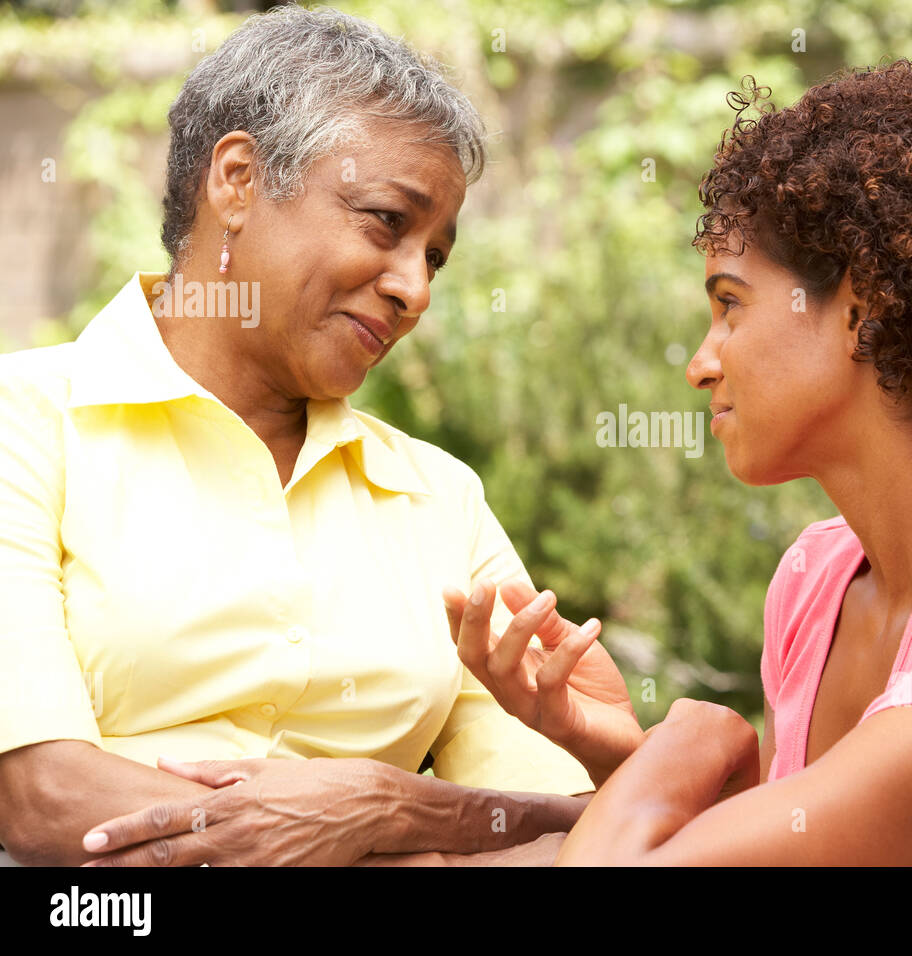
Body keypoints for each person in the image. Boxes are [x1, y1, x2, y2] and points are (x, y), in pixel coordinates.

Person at [445, 63, 912, 865]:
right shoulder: (819, 578)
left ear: (861, 309)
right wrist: (615, 748)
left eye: (729, 304)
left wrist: (691, 744)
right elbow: (815, 839)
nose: (701, 364)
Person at [0, 4, 613, 867]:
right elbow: (43, 795)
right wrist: (393, 825)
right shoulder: (25, 425)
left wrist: (388, 809)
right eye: (386, 222)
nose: (415, 290)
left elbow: (552, 816)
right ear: (238, 180)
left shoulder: (440, 497)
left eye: (436, 256)